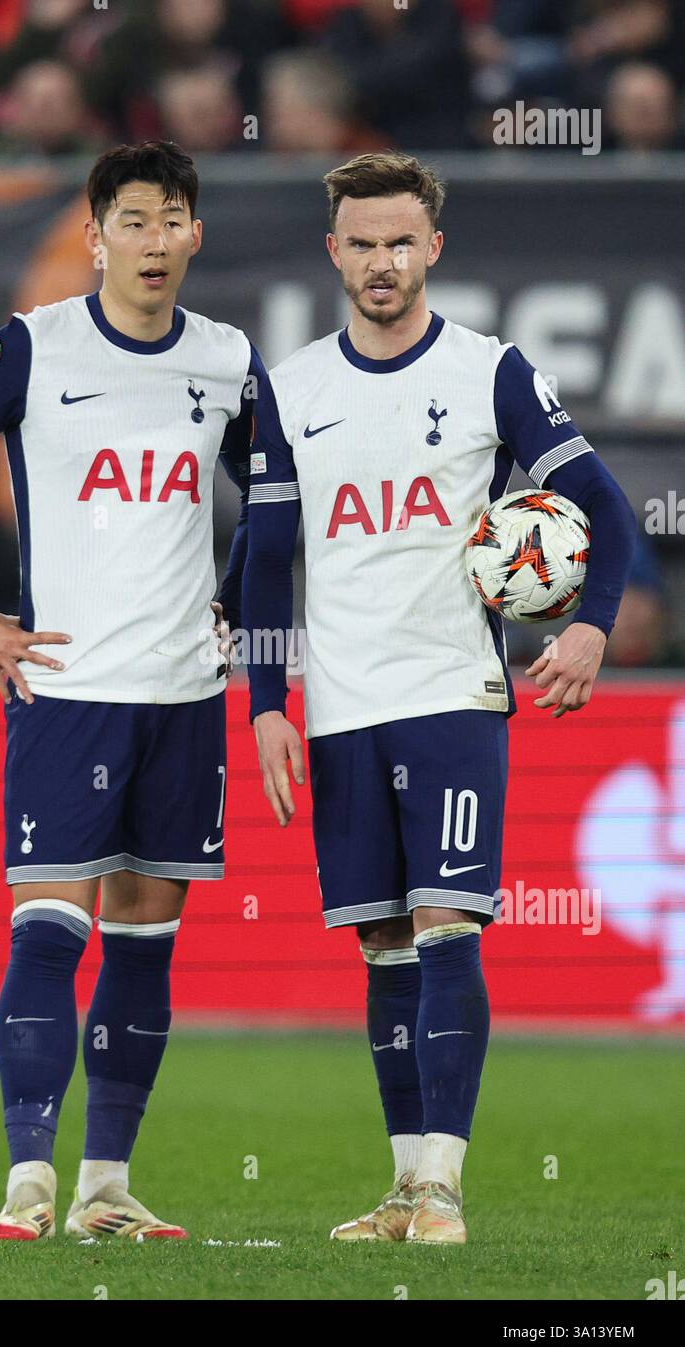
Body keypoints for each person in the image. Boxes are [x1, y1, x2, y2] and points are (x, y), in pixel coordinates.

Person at [240, 151, 636, 1244]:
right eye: (360, 243)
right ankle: (405, 1185)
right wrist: (266, 700)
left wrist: (590, 623)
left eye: (398, 241)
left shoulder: (491, 371)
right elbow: (263, 559)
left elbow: (600, 502)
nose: (380, 261)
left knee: (446, 923)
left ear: (432, 248)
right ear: (334, 252)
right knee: (379, 946)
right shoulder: (290, 388)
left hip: (451, 694)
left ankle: (447, 1192)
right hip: (336, 704)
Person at [0, 140, 261, 1242]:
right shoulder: (28, 347)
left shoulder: (229, 360)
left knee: (146, 949)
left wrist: (239, 600)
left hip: (185, 698)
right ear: (94, 236)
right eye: (132, 220)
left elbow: (277, 499)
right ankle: (24, 1184)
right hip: (68, 688)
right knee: (49, 935)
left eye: (171, 219)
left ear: (195, 235)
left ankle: (105, 1188)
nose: (153, 240)